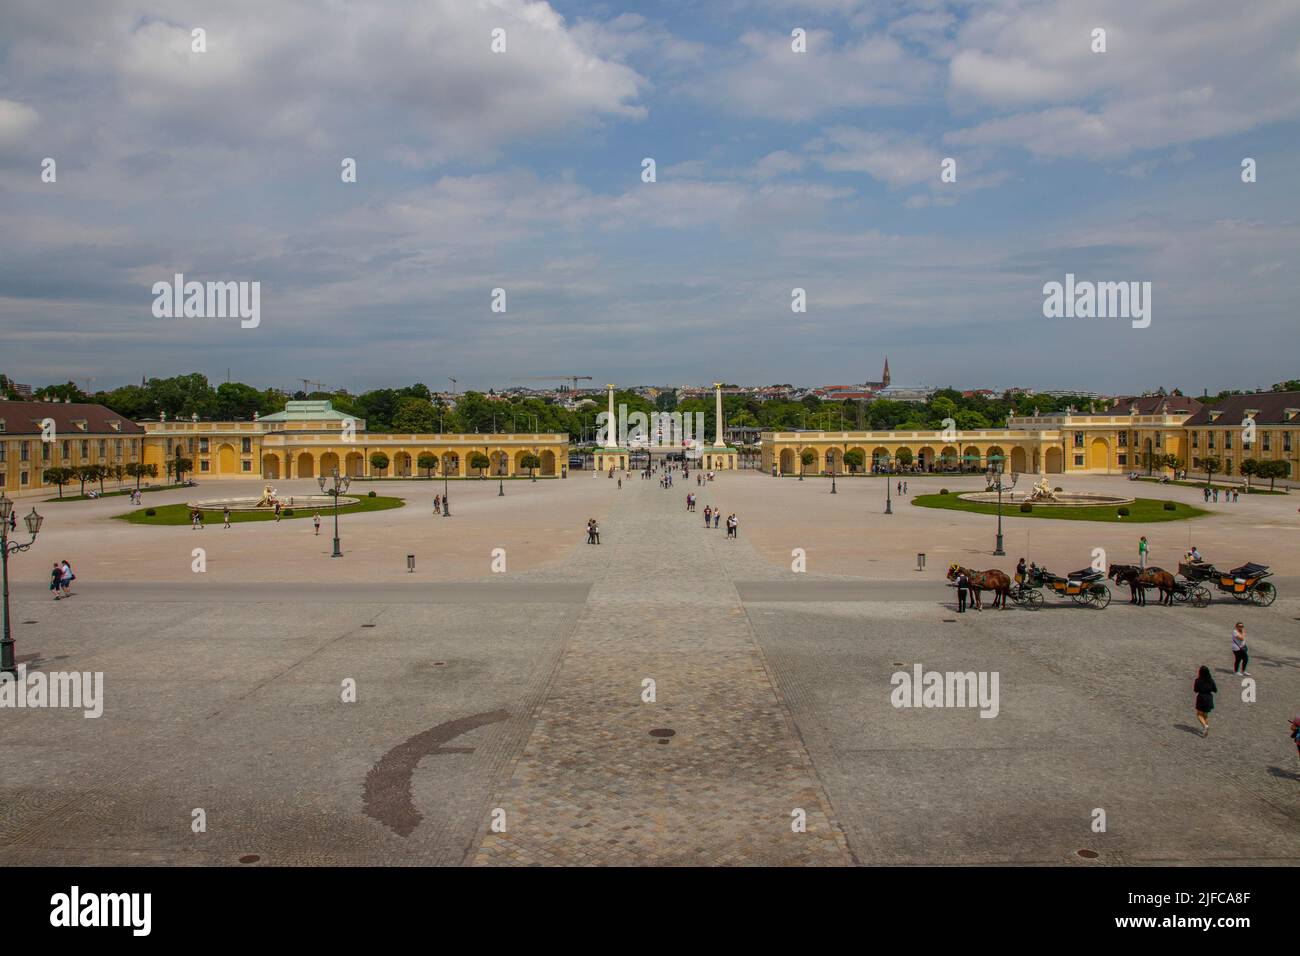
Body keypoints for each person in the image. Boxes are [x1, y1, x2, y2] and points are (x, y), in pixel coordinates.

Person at [1193, 666, 1217, 737]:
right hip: (1209, 698)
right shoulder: (1211, 680)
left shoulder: (1197, 680)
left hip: (1201, 698)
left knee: (1199, 714)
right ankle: (1205, 731)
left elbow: (1195, 690)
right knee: (1205, 715)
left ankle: (1205, 726)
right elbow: (1215, 690)